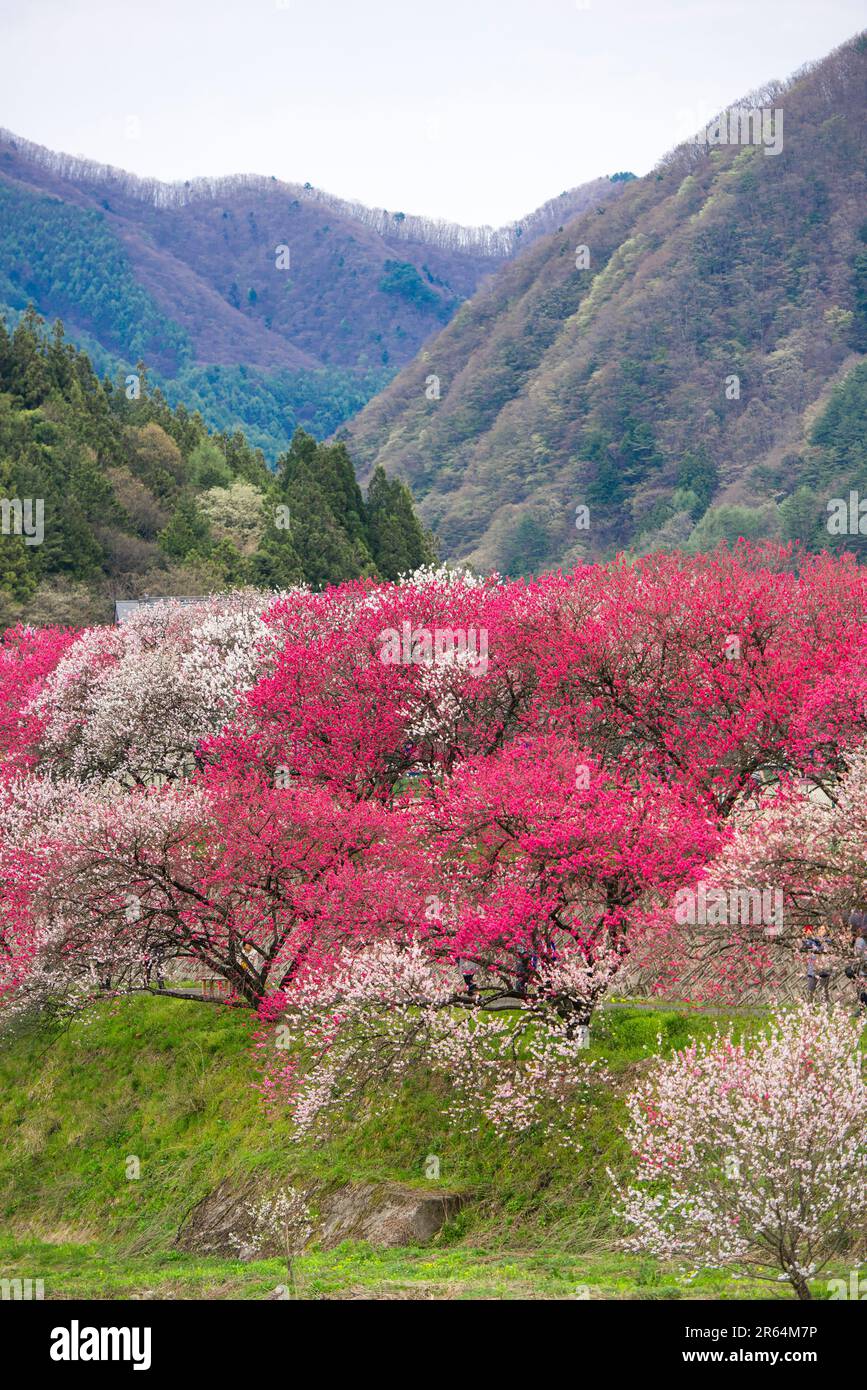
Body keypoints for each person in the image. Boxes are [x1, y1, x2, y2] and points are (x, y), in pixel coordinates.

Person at [802, 924, 832, 1003]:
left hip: (823, 967)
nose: (821, 930)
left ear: (826, 932)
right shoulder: (813, 940)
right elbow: (806, 944)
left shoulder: (827, 940)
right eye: (820, 929)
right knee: (810, 989)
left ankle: (826, 1006)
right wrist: (806, 936)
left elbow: (822, 946)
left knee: (824, 989)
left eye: (823, 929)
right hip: (813, 967)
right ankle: (809, 1006)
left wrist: (812, 938)